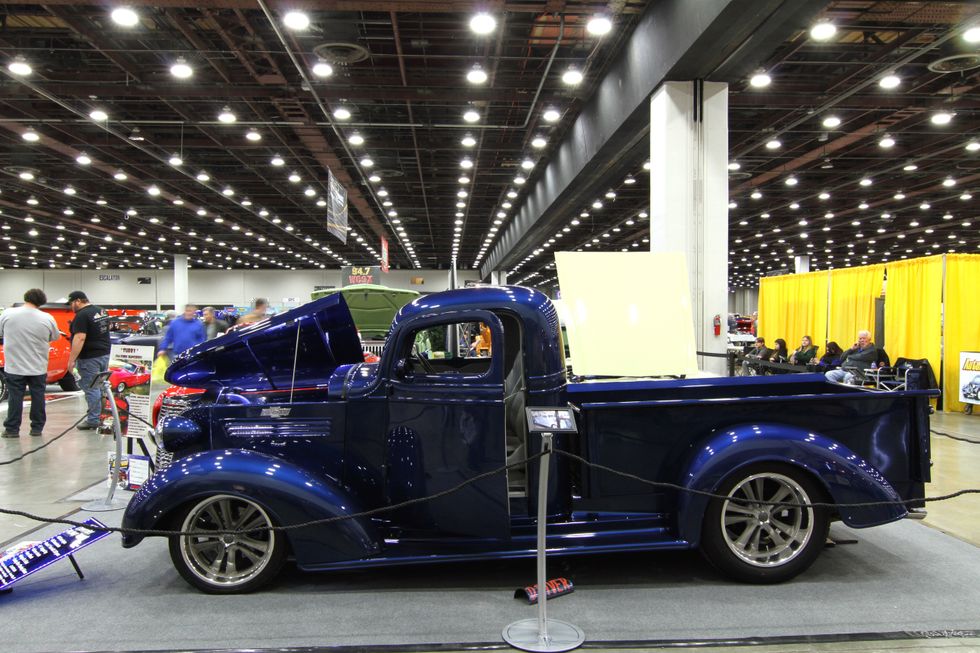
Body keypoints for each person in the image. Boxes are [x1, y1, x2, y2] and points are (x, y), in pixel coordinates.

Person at [0, 289, 60, 437]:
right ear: (42, 302)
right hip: (38, 366)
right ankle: (37, 428)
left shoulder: (7, 314)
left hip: (14, 366)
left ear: (25, 297)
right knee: (38, 396)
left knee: (15, 397)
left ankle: (12, 429)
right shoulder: (47, 318)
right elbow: (55, 337)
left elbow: (1, 332)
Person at [66, 290, 111, 430]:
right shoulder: (101, 311)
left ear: (78, 301)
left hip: (89, 357)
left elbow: (80, 338)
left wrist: (71, 360)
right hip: (104, 355)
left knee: (91, 388)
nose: (71, 307)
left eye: (71, 303)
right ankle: (101, 416)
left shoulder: (82, 315)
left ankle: (93, 420)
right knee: (101, 387)